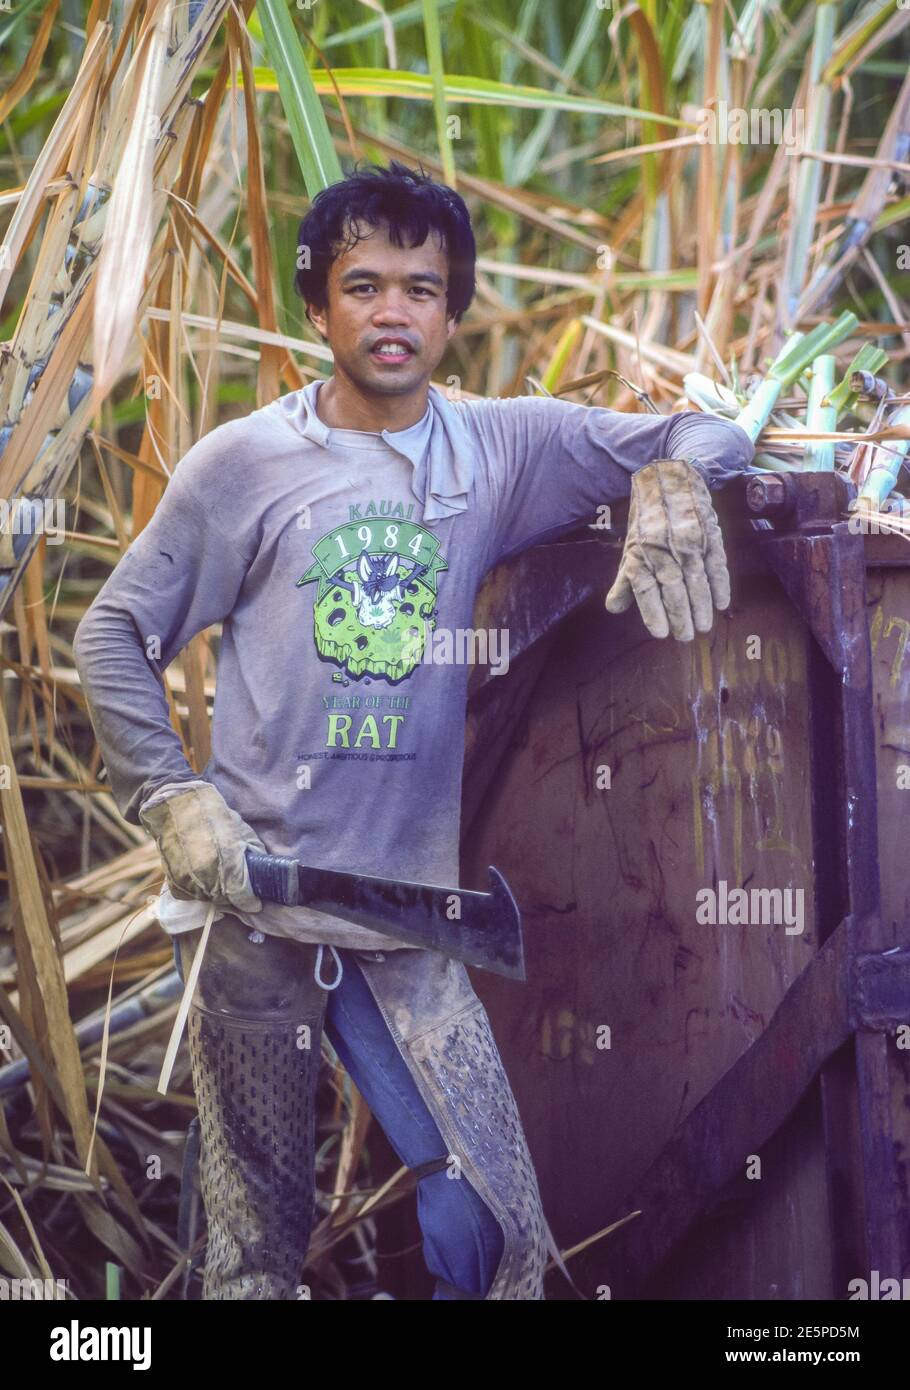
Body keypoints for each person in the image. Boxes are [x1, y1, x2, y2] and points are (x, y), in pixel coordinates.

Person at [72, 161, 754, 1301]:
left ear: (453, 309)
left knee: (495, 1238)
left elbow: (706, 430)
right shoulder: (243, 465)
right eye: (365, 284)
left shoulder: (497, 448)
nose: (394, 313)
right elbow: (111, 635)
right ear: (319, 304)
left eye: (422, 290)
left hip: (405, 919)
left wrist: (677, 477)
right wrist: (172, 797)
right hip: (254, 907)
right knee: (251, 1254)